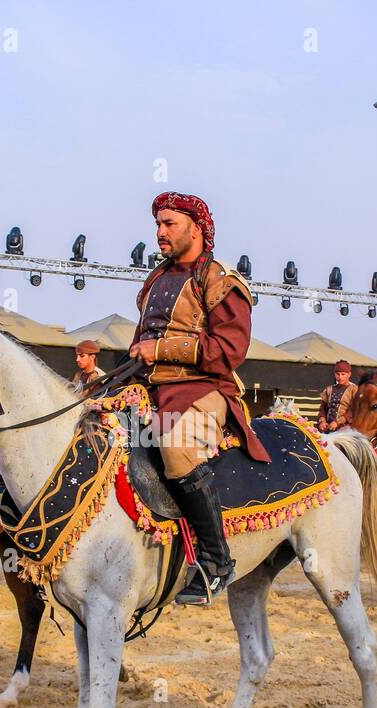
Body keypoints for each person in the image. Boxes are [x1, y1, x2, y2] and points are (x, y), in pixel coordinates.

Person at [128, 191, 269, 605]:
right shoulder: (156, 279)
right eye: (157, 224)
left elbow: (229, 351)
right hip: (149, 386)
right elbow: (143, 341)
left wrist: (162, 350)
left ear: (197, 228)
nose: (160, 233)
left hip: (202, 388)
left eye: (169, 224)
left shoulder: (220, 279)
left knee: (174, 448)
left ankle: (215, 561)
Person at [317, 360, 358, 432]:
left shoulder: (354, 389)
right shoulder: (329, 389)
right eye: (338, 374)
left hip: (346, 428)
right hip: (328, 427)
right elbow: (323, 409)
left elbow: (353, 411)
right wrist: (322, 421)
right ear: (334, 374)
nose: (340, 377)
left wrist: (337, 422)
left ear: (349, 374)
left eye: (343, 374)